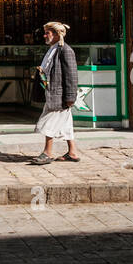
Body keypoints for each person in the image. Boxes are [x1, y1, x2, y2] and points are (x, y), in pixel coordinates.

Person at [30, 21, 80, 165]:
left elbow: (71, 76)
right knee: (66, 125)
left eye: (48, 33)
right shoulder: (53, 49)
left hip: (60, 96)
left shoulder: (66, 50)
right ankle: (72, 152)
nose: (45, 35)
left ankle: (47, 153)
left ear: (57, 35)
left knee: (49, 123)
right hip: (52, 93)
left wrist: (70, 97)